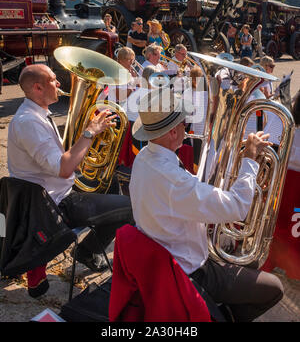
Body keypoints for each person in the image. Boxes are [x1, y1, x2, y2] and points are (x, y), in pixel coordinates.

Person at [129, 88, 283, 322]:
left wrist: (228, 157)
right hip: (188, 270)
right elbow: (237, 207)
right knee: (275, 288)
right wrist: (250, 160)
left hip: (165, 250)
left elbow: (187, 192)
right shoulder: (172, 179)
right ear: (172, 132)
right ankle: (220, 316)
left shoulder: (145, 158)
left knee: (250, 260)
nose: (187, 128)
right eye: (184, 124)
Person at [7, 64, 133, 294]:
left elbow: (60, 158)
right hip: (53, 204)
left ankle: (88, 250)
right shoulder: (29, 122)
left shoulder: (37, 113)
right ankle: (86, 252)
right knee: (133, 208)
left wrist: (89, 135)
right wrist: (89, 133)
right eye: (54, 80)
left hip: (55, 190)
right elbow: (64, 168)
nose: (59, 84)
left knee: (110, 182)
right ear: (37, 88)